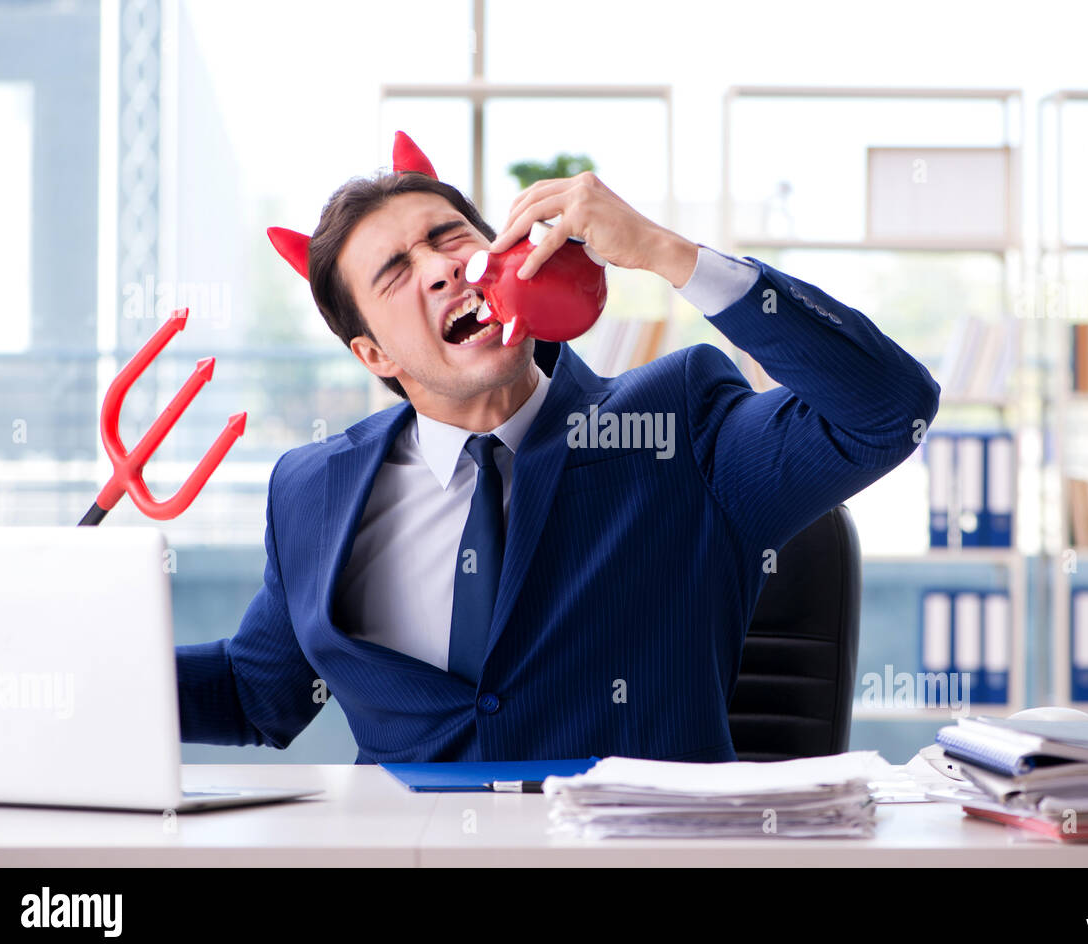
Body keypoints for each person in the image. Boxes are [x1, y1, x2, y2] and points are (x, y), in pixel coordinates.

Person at [175, 132, 940, 763]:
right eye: (397, 271)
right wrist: (74, 666)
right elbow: (255, 690)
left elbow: (888, 409)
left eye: (450, 239)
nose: (442, 268)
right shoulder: (313, 487)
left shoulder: (678, 419)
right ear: (374, 355)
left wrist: (668, 254)